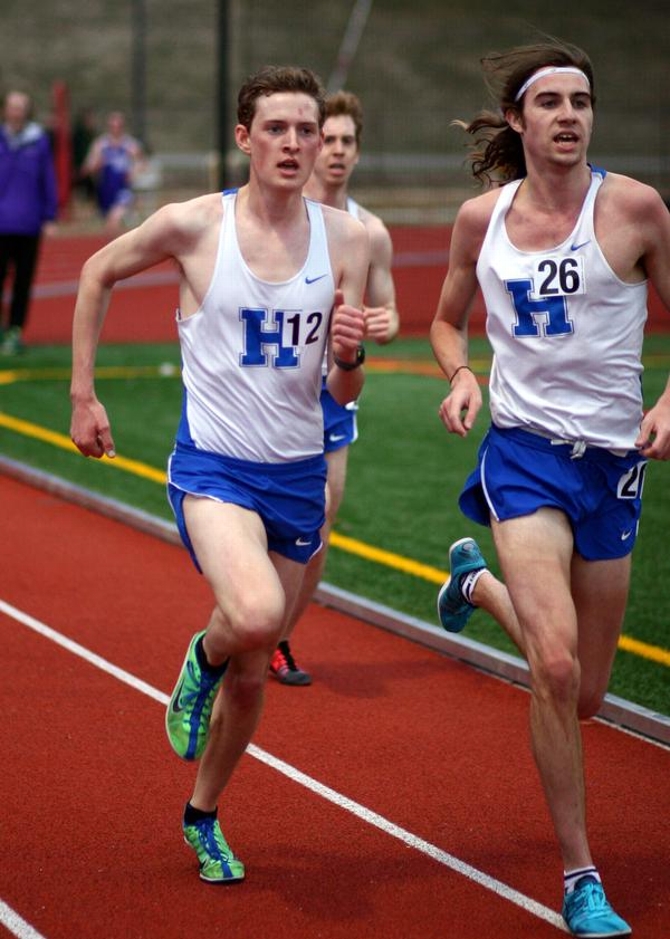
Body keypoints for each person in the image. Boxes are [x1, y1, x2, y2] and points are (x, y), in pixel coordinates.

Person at [70, 65, 369, 884]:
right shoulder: (195, 225)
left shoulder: (353, 241)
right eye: (277, 128)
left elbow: (347, 387)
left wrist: (350, 351)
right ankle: (200, 654)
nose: (296, 143)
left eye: (307, 129)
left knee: (255, 662)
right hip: (215, 468)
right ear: (245, 138)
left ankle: (202, 813)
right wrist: (82, 393)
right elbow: (95, 272)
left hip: (298, 471)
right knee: (258, 614)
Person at [430, 38, 670, 938]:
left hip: (614, 468)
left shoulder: (637, 208)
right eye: (552, 102)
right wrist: (460, 375)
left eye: (583, 101)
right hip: (523, 455)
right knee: (556, 664)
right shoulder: (478, 220)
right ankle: (581, 876)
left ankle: (475, 587)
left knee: (588, 694)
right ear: (519, 121)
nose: (570, 115)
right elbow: (447, 321)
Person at [269, 89, 400, 686]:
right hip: (276, 389)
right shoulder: (285, 219)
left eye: (350, 141)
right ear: (316, 142)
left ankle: (280, 636)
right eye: (333, 139)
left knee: (319, 522)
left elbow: (390, 313)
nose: (340, 151)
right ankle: (250, 619)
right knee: (265, 517)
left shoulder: (369, 232)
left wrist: (383, 322)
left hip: (335, 395)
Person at [0, 90, 58, 355]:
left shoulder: (38, 141)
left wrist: (50, 215)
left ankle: (15, 330)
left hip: (28, 222)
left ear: (27, 111)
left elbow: (48, 178)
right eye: (12, 106)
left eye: (21, 106)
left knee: (23, 280)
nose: (16, 111)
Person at [82, 110, 144, 237]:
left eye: (118, 126)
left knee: (114, 219)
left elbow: (141, 163)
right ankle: (115, 247)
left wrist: (133, 172)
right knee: (109, 224)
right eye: (113, 126)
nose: (116, 129)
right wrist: (96, 165)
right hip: (105, 189)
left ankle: (119, 250)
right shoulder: (101, 144)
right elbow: (88, 167)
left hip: (123, 188)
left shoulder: (129, 145)